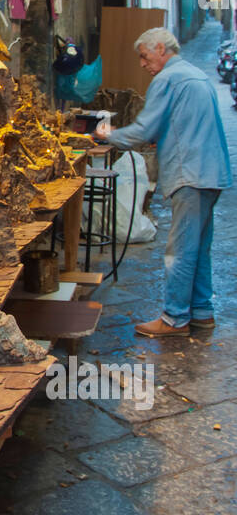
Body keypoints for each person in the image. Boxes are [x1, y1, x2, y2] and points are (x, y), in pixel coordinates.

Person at [95, 27, 232, 337]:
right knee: (199, 245)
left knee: (180, 249)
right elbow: (183, 123)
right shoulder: (195, 75)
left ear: (160, 49)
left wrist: (107, 136)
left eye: (144, 57)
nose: (143, 64)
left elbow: (143, 130)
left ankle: (174, 319)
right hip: (211, 172)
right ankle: (202, 312)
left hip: (191, 173)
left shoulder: (167, 79)